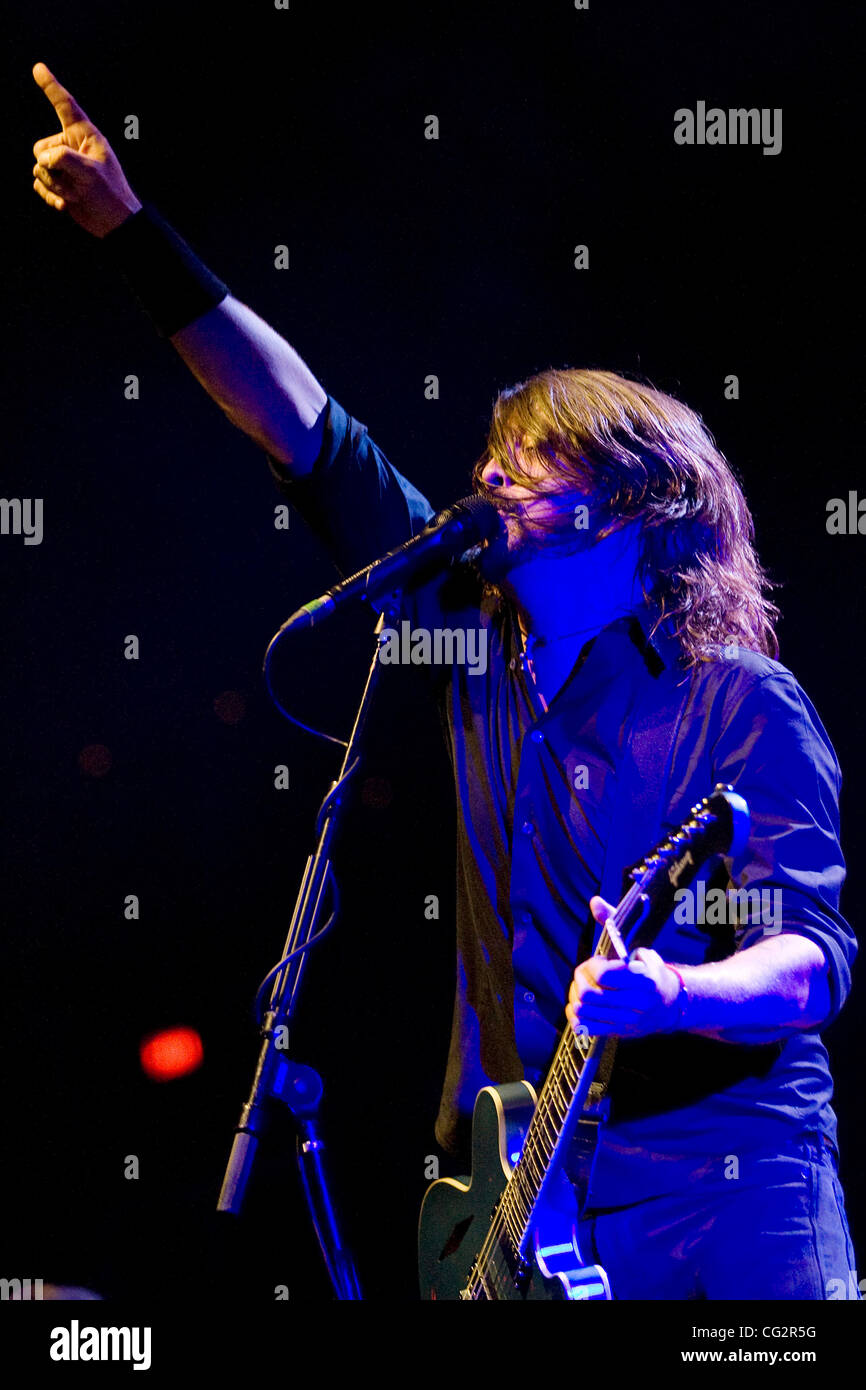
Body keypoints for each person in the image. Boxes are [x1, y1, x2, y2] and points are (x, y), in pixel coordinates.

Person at [31, 62, 860, 1301]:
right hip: (514, 1195)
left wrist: (673, 989)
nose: (490, 474)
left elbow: (807, 957)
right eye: (490, 453)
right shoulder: (465, 637)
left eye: (529, 456)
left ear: (626, 499)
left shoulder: (734, 698)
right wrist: (130, 231)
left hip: (718, 1189)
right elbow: (302, 425)